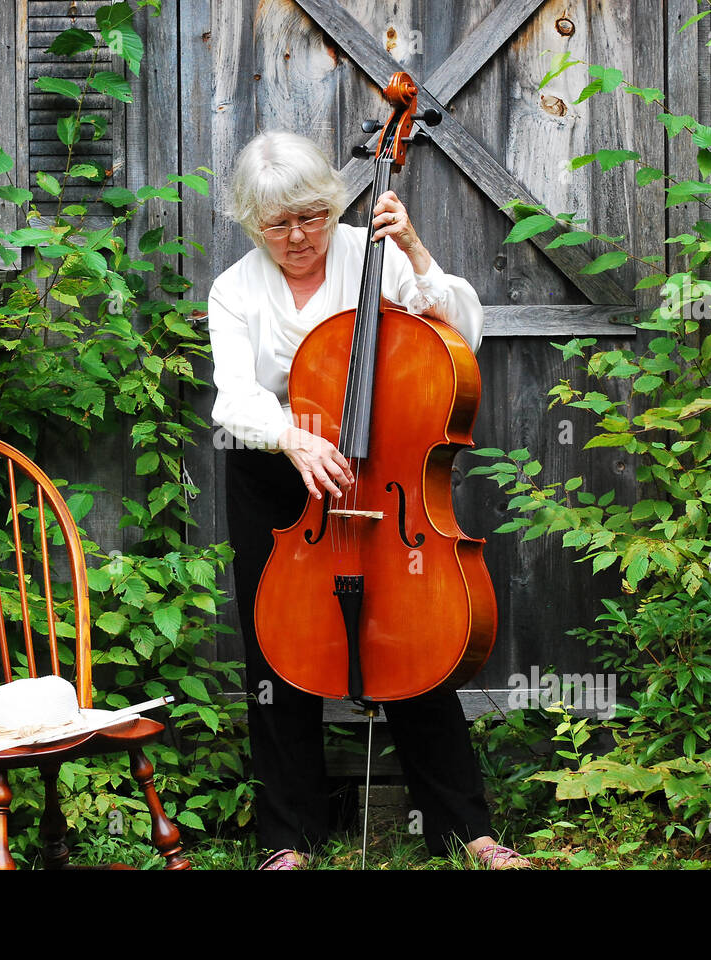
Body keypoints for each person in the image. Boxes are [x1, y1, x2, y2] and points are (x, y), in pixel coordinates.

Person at [206, 130, 530, 871]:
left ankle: (466, 830)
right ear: (253, 223)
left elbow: (459, 334)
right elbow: (235, 397)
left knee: (414, 640)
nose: (299, 237)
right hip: (278, 476)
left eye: (312, 218)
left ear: (331, 206)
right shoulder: (236, 289)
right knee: (278, 655)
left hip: (379, 468)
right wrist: (292, 437)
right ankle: (287, 839)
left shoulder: (367, 254)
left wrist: (416, 253)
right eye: (278, 224)